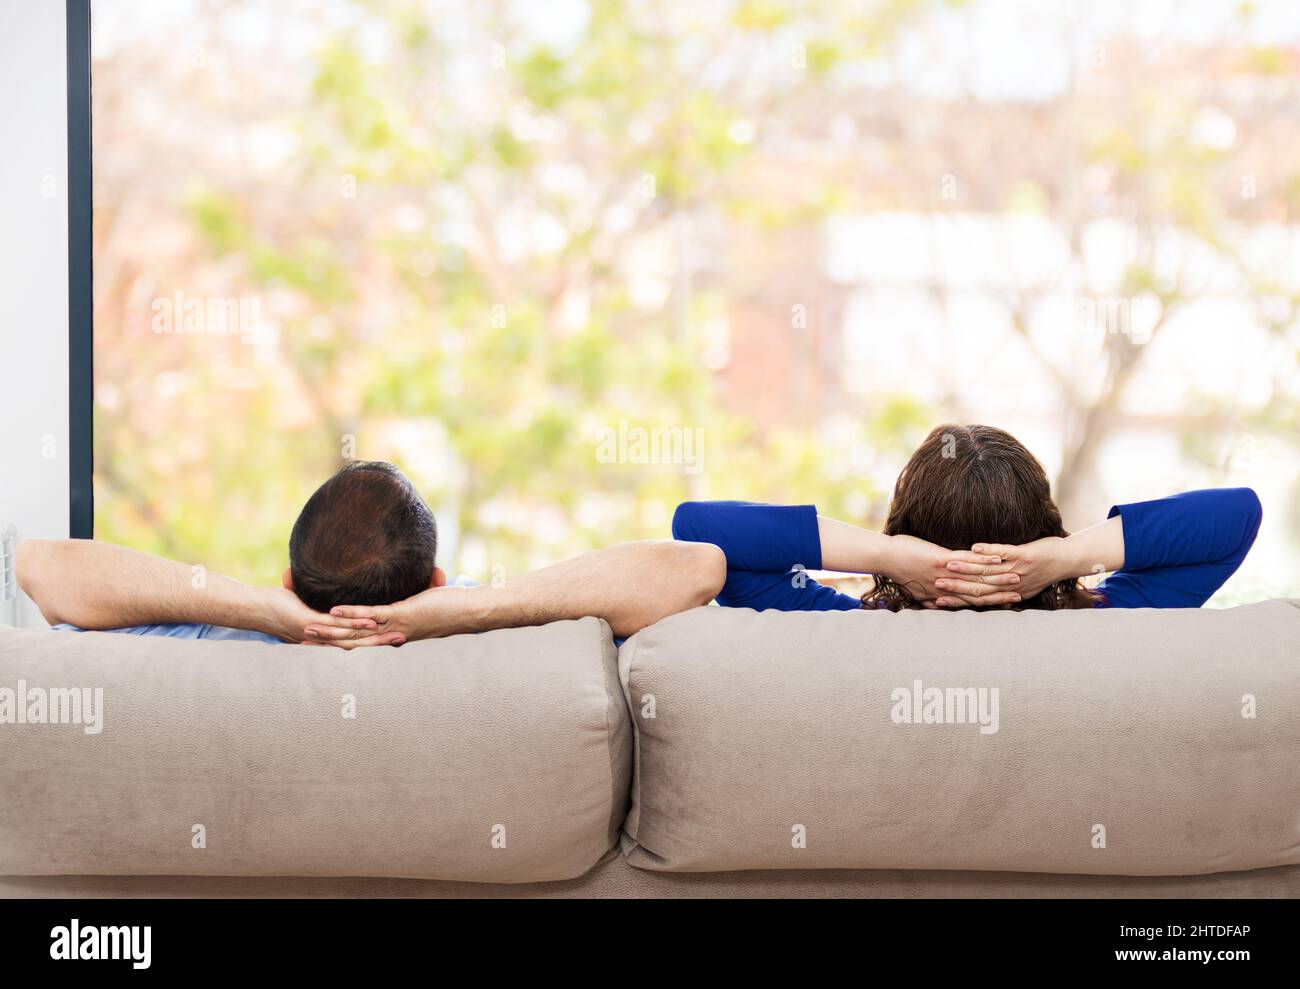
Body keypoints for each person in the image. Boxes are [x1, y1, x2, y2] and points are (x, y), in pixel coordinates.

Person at [18, 460, 726, 646]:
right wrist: (466, 610)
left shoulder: (218, 637)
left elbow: (40, 565)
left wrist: (261, 609)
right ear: (436, 579)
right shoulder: (494, 629)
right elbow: (698, 567)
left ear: (290, 578)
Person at [672, 424, 1262, 613]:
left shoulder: (838, 626)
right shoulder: (1115, 621)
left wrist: (888, 557)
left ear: (904, 522)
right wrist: (1061, 560)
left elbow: (699, 529)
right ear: (1043, 521)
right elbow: (1237, 516)